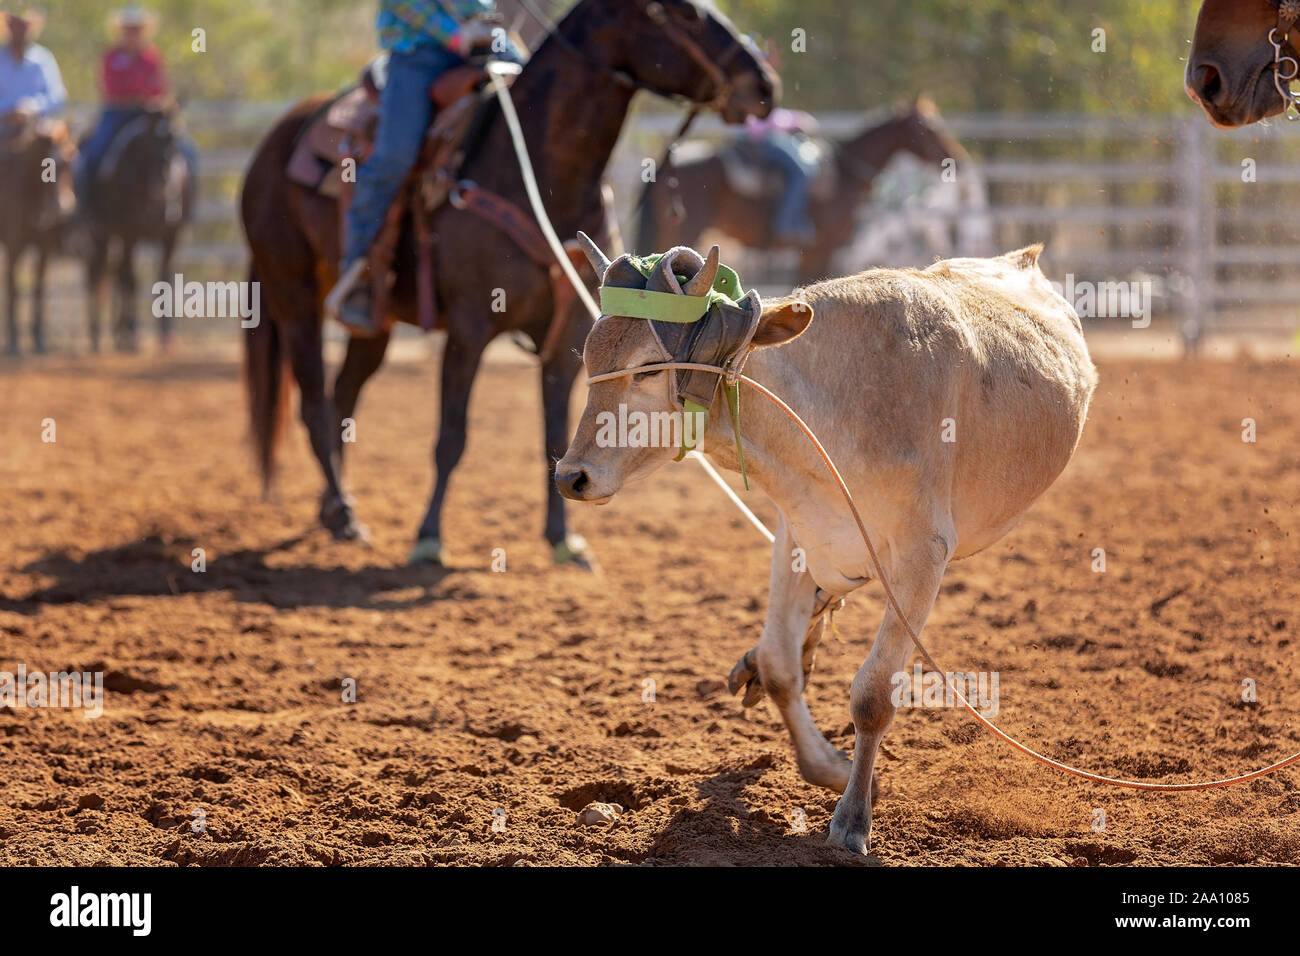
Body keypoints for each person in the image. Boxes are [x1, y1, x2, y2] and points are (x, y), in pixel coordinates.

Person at [328, 0, 524, 335]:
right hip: (418, 56)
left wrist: (483, 20)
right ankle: (356, 268)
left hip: (484, 43)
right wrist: (455, 34)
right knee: (396, 157)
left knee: (545, 89)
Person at [75, 6, 197, 218]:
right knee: (93, 152)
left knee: (186, 151)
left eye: (137, 29)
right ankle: (86, 209)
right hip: (117, 114)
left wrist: (157, 104)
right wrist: (140, 97)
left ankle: (185, 211)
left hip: (149, 115)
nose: (133, 33)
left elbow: (161, 88)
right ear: (121, 31)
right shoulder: (111, 57)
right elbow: (110, 89)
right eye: (129, 29)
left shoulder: (152, 58)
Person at [743, 107, 820, 246]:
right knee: (799, 174)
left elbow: (776, 116)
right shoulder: (760, 102)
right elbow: (768, 121)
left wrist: (798, 120)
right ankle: (785, 222)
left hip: (765, 138)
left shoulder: (759, 101)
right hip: (765, 141)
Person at [0, 9, 65, 131]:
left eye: (23, 25)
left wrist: (33, 107)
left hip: (37, 126)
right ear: (8, 27)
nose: (19, 30)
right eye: (16, 24)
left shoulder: (43, 58)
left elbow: (57, 96)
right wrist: (8, 111)